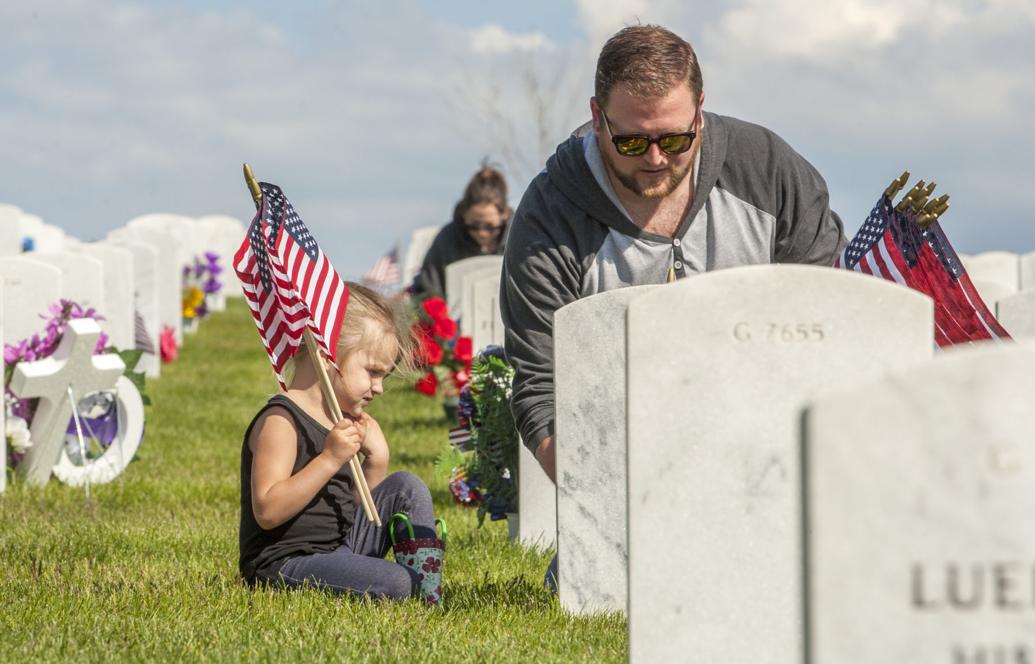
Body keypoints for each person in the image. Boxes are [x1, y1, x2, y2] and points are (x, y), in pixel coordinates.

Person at [501, 25, 847, 484]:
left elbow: (829, 313)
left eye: (675, 140)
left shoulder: (766, 170)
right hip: (625, 464)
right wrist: (605, 510)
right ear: (597, 116)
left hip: (772, 453)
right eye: (631, 142)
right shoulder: (552, 215)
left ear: (699, 111)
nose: (656, 159)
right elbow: (540, 385)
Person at [239, 283, 445, 603]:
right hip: (288, 562)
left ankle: (427, 591)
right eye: (373, 372)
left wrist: (376, 461)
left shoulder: (337, 417)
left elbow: (349, 509)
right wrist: (329, 459)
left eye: (384, 377)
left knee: (407, 486)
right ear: (326, 357)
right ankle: (411, 587)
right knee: (397, 583)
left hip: (337, 548)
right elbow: (268, 510)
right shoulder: (281, 420)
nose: (378, 388)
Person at [413, 166, 511, 297]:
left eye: (490, 226)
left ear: (504, 215)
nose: (482, 233)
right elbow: (427, 290)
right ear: (464, 215)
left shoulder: (518, 239)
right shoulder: (446, 240)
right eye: (474, 225)